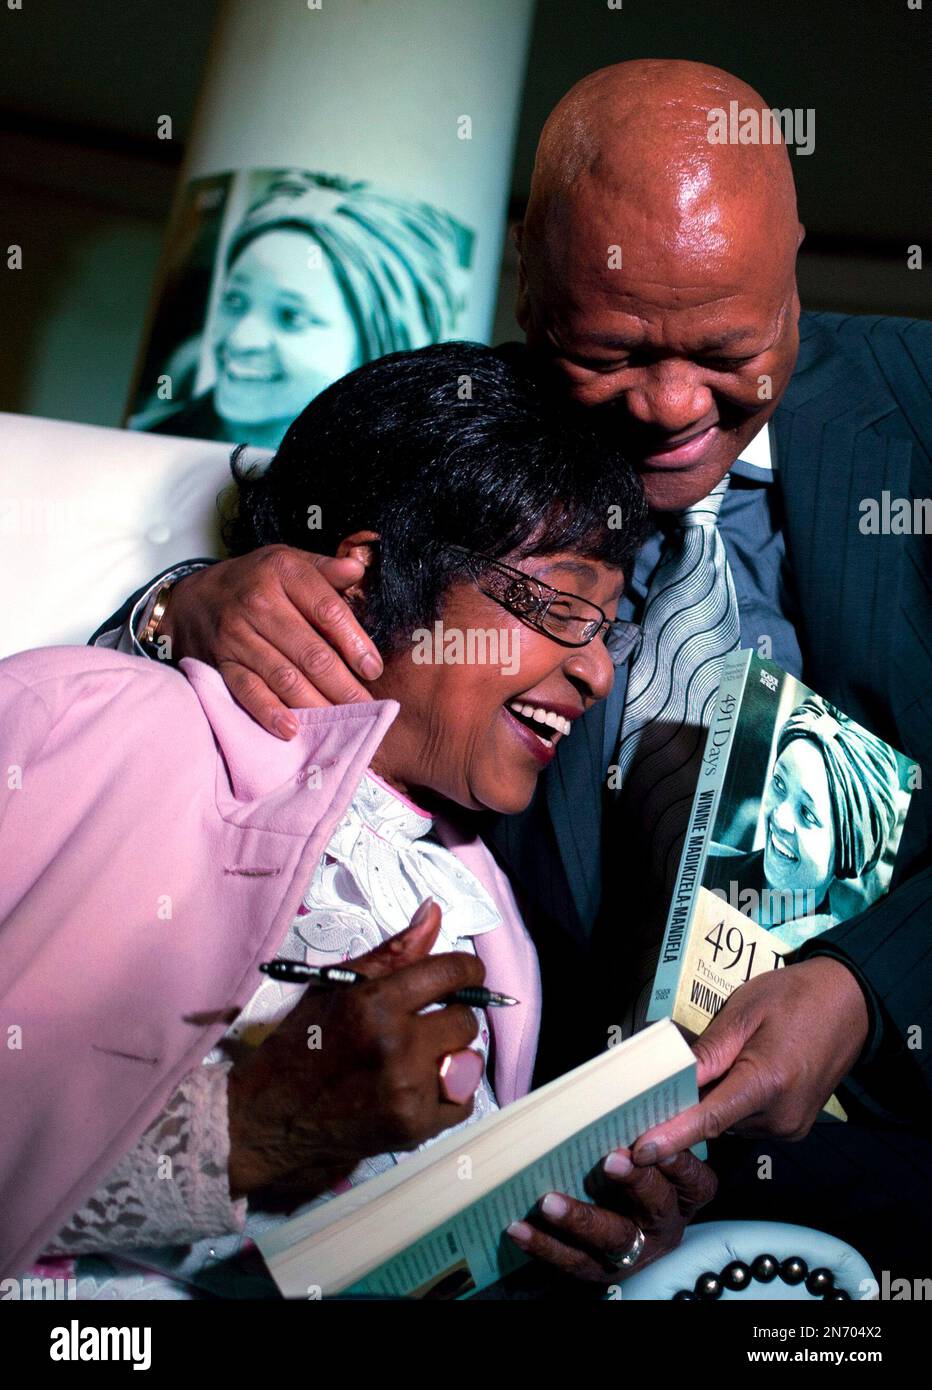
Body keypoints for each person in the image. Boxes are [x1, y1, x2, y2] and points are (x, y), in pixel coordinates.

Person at [95, 60, 932, 1276]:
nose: (668, 405)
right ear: (530, 273)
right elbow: (264, 565)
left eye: (722, 346)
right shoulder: (458, 434)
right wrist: (184, 605)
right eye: (612, 350)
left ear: (793, 255)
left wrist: (861, 987)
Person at [3, 342, 720, 1296]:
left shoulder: (486, 906)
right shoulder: (91, 715)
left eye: (609, 626)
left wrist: (571, 1233)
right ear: (371, 581)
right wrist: (249, 1133)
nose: (596, 671)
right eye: (557, 605)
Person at [134, 171, 473, 449]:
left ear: (379, 348)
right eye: (234, 301)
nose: (241, 339)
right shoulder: (143, 442)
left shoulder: (407, 500)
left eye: (291, 317)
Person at [706, 698, 903, 946]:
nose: (780, 817)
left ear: (847, 851)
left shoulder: (828, 959)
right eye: (779, 784)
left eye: (808, 813)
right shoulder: (702, 864)